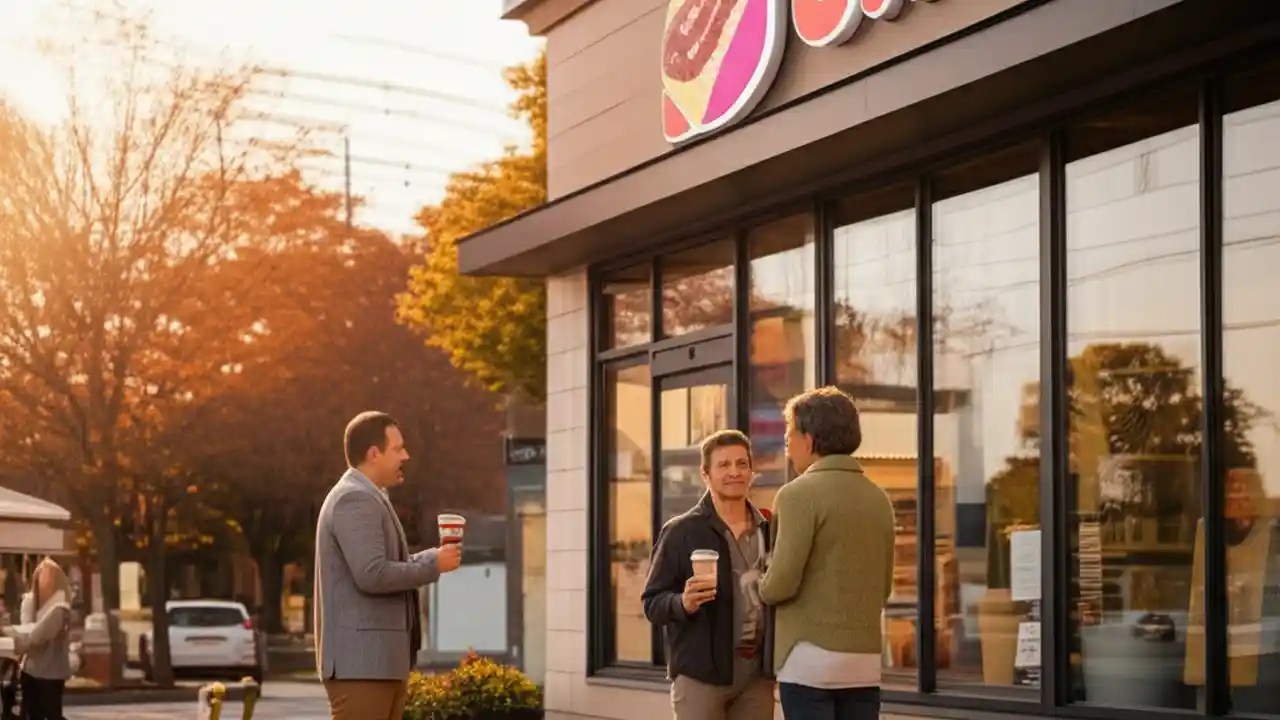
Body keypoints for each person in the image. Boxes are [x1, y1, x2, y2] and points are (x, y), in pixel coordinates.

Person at [315, 411, 462, 720]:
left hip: (377, 664)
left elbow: (383, 566)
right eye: (398, 449)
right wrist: (431, 566)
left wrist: (431, 559)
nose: (405, 456)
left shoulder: (370, 496)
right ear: (373, 454)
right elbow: (372, 575)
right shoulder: (354, 499)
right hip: (362, 664)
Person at [760, 386, 896, 720]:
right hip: (863, 663)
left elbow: (780, 585)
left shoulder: (797, 494)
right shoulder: (878, 498)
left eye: (790, 435)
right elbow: (884, 588)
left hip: (808, 661)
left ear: (809, 439)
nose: (788, 447)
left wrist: (759, 581)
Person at [642, 429, 774, 720]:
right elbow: (652, 603)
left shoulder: (769, 529)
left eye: (742, 464)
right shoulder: (681, 531)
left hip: (757, 677)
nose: (734, 472)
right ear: (705, 474)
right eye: (723, 465)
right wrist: (682, 603)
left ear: (751, 471)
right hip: (701, 676)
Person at [1, 557, 72, 720]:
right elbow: (27, 628)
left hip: (49, 675)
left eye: (49, 577)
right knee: (33, 715)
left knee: (52, 715)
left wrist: (8, 633)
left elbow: (36, 637)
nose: (44, 582)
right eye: (41, 576)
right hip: (31, 672)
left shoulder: (59, 610)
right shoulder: (33, 604)